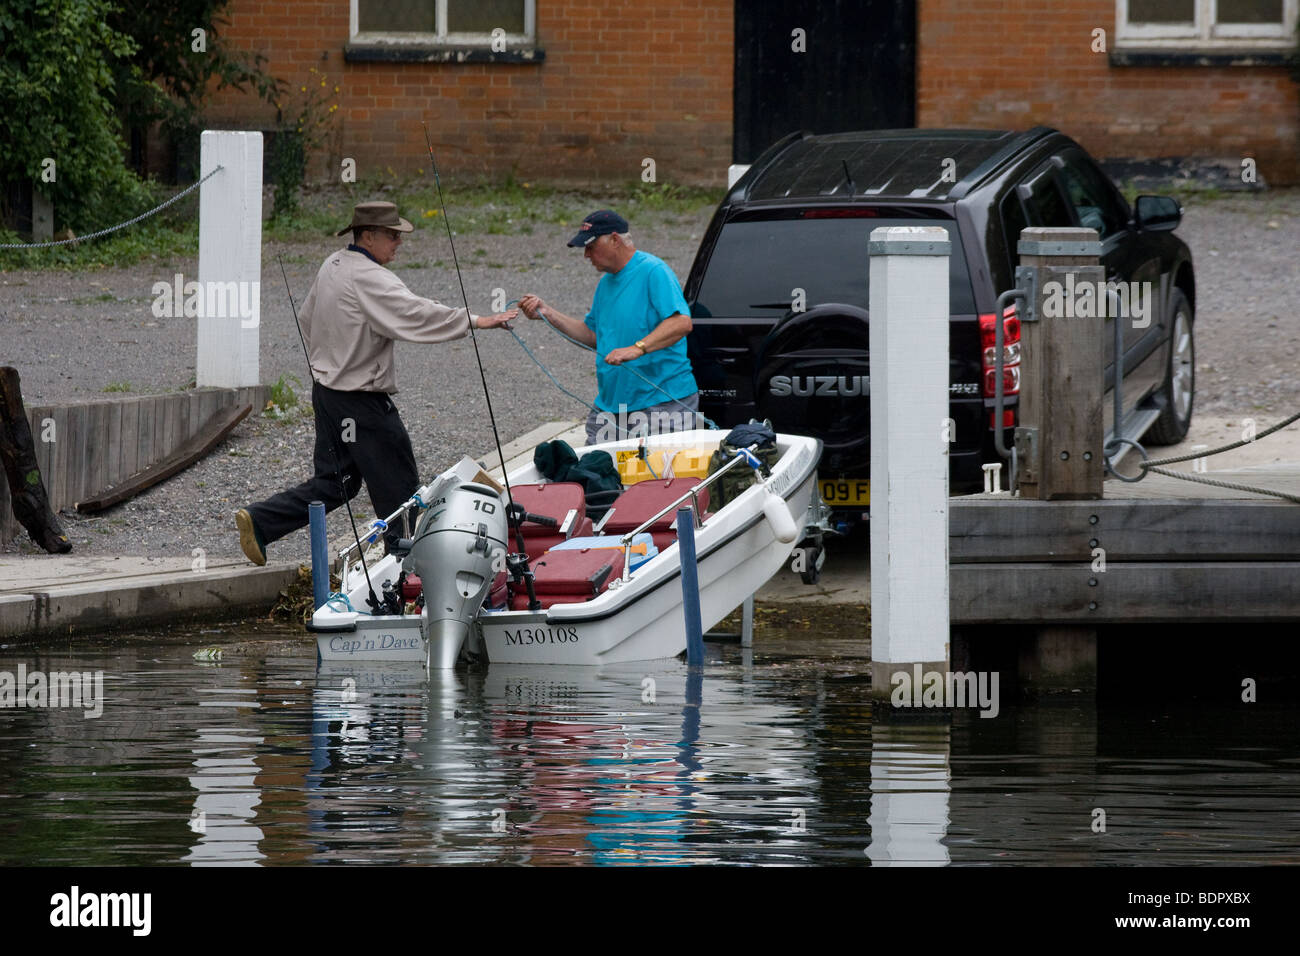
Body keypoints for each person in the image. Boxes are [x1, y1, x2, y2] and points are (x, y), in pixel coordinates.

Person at [235, 200, 516, 566]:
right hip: (363, 404)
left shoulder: (332, 264)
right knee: (400, 493)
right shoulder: (372, 278)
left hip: (327, 394)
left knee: (336, 483)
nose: (399, 241)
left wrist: (331, 358)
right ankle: (404, 572)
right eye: (392, 235)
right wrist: (477, 321)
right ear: (368, 235)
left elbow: (308, 317)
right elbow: (416, 314)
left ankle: (261, 520)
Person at [517, 210, 700, 445]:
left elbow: (681, 322)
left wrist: (637, 348)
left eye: (590, 247)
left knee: (655, 480)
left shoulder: (654, 271)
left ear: (615, 240)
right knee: (595, 474)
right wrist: (547, 313)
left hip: (663, 403)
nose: (586, 255)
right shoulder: (605, 284)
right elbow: (593, 336)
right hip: (611, 405)